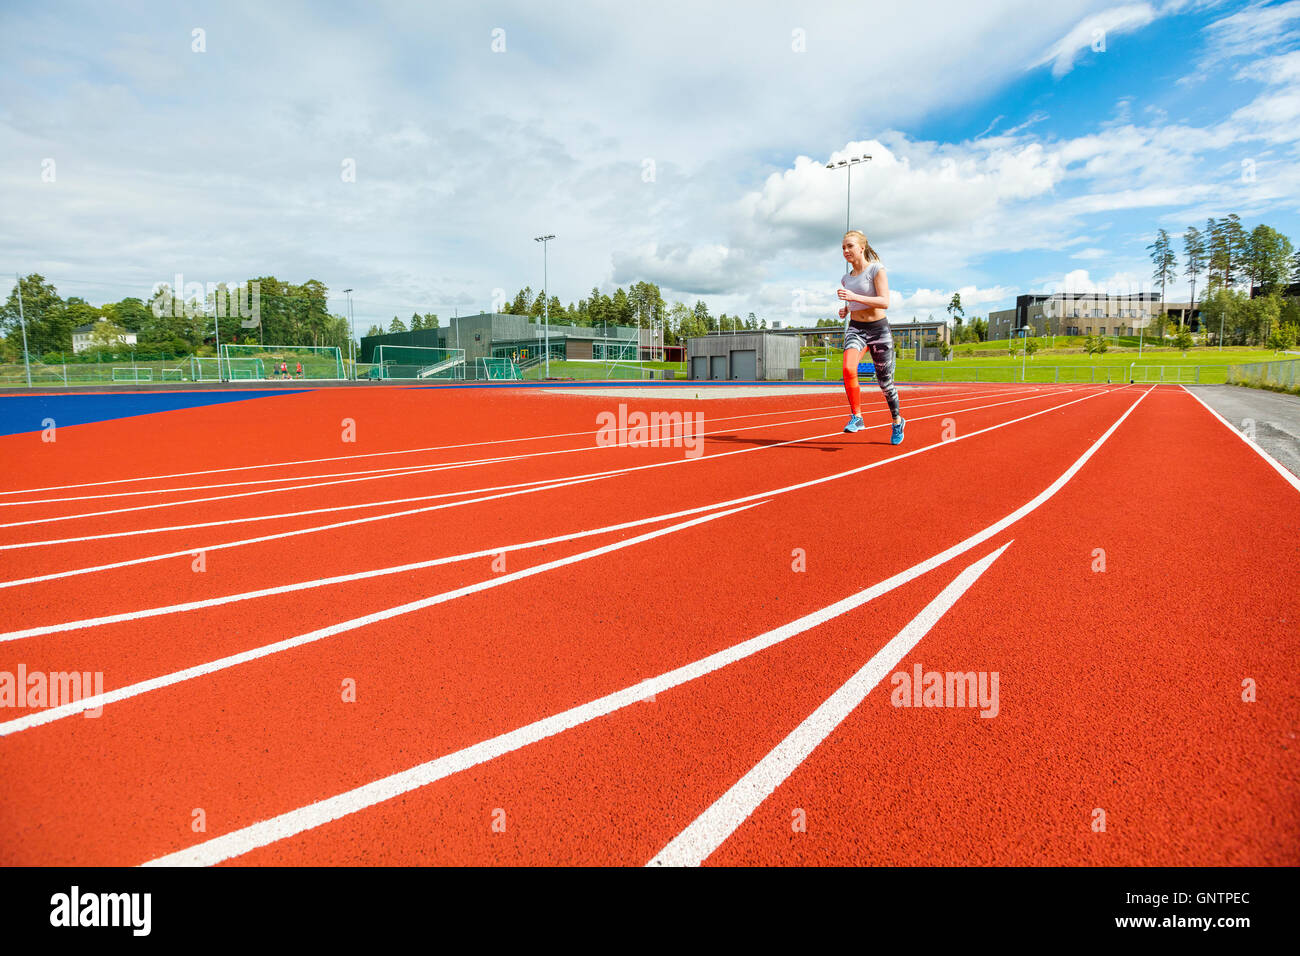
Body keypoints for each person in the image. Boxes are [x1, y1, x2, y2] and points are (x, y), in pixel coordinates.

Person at [836, 229, 905, 444]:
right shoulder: (846, 278)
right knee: (848, 368)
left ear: (861, 248)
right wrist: (847, 309)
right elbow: (855, 301)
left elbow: (884, 302)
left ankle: (896, 421)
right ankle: (857, 416)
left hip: (878, 329)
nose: (846, 251)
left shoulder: (876, 269)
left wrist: (854, 297)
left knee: (885, 383)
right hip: (856, 328)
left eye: (850, 246)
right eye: (843, 248)